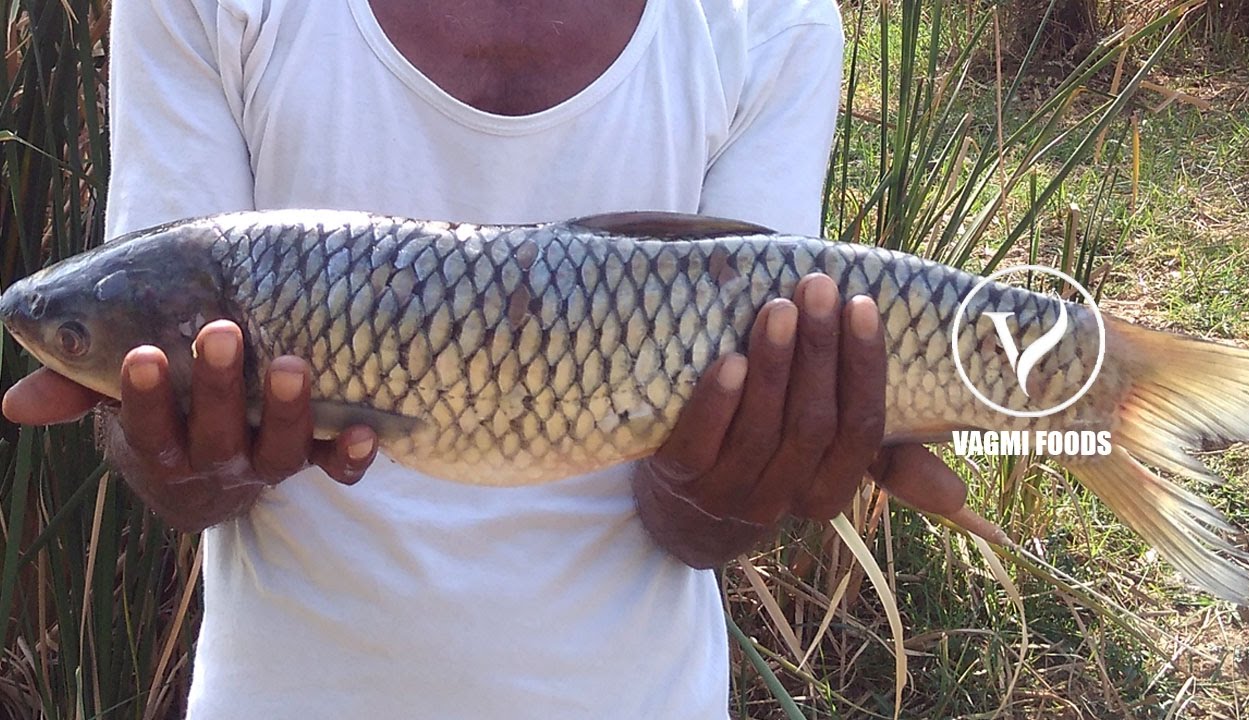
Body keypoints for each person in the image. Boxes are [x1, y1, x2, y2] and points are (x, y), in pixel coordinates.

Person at [2, 0, 967, 716]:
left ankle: (1090, 392)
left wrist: (746, 476)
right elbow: (174, 469)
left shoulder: (769, 18)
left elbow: (695, 523)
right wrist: (179, 452)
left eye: (75, 337)